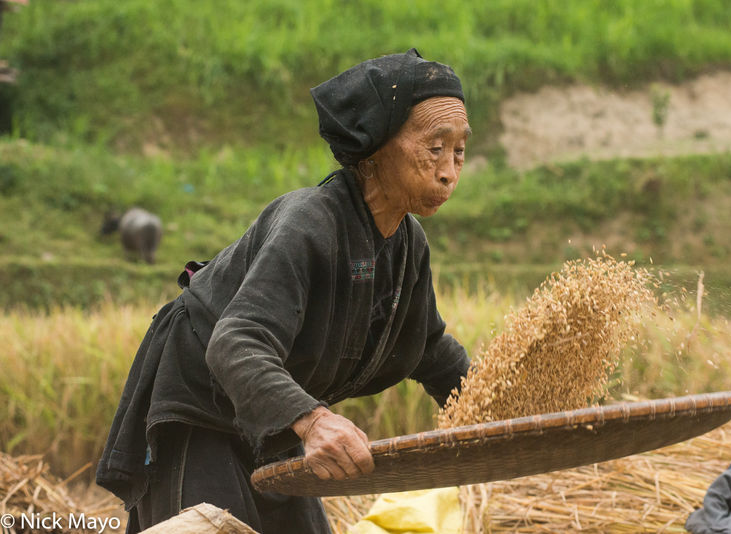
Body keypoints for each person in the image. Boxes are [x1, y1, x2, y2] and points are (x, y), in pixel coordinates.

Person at [96, 48, 472, 533]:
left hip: (271, 422)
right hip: (202, 414)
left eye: (459, 151)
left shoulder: (407, 246)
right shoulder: (309, 222)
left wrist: (503, 409)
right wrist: (315, 423)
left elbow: (429, 349)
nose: (448, 171)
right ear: (375, 150)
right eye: (434, 147)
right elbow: (236, 341)